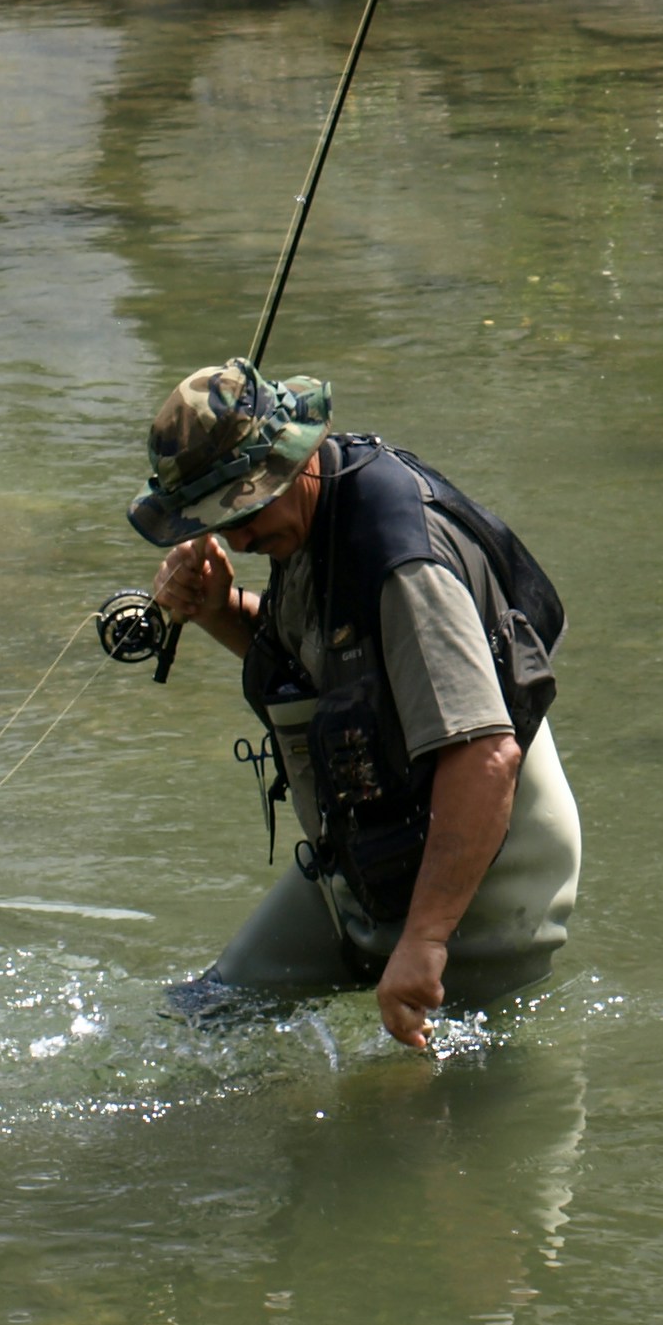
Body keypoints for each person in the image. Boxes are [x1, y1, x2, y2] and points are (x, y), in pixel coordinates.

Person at [130, 361, 580, 1048]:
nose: (238, 539)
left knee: (445, 1098)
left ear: (296, 457)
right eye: (221, 519)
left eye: (243, 511)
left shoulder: (401, 565)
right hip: (375, 847)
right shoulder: (312, 520)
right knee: (203, 1018)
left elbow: (485, 755)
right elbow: (324, 665)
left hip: (489, 868)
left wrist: (425, 943)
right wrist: (218, 609)